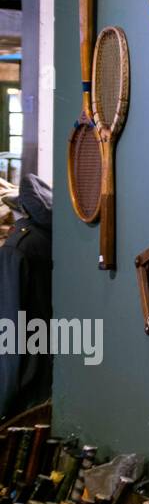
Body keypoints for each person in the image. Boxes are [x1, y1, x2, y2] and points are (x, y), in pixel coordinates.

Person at [0, 175, 52, 421]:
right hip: (46, 381)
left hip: (23, 392)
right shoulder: (51, 241)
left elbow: (8, 332)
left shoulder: (16, 249)